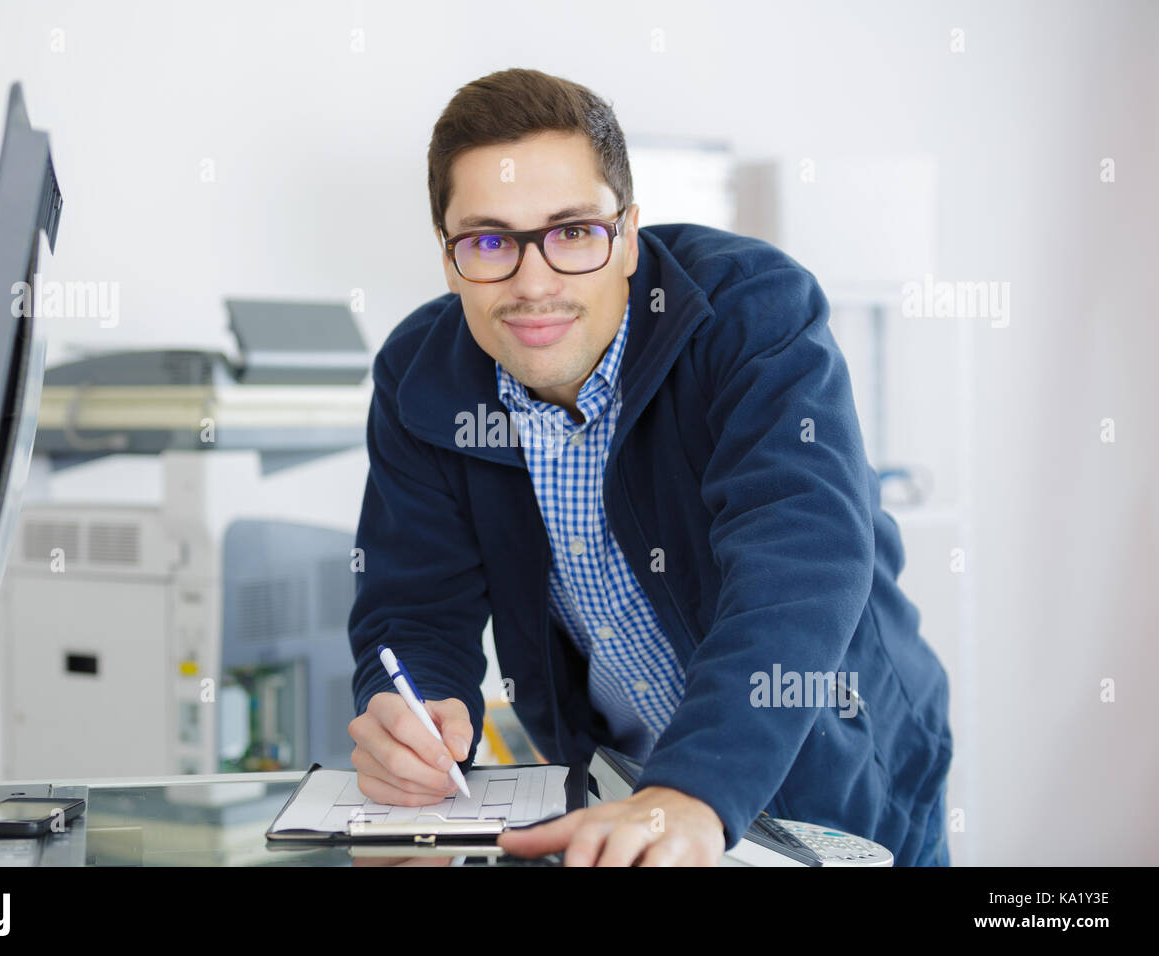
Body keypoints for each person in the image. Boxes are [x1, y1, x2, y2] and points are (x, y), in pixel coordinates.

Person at [346, 67, 952, 866]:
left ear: (628, 235)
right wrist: (416, 715)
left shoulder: (750, 309)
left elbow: (801, 559)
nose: (534, 283)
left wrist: (695, 789)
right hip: (617, 800)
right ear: (449, 256)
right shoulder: (420, 376)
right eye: (489, 241)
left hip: (834, 777)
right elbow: (415, 611)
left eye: (572, 232)